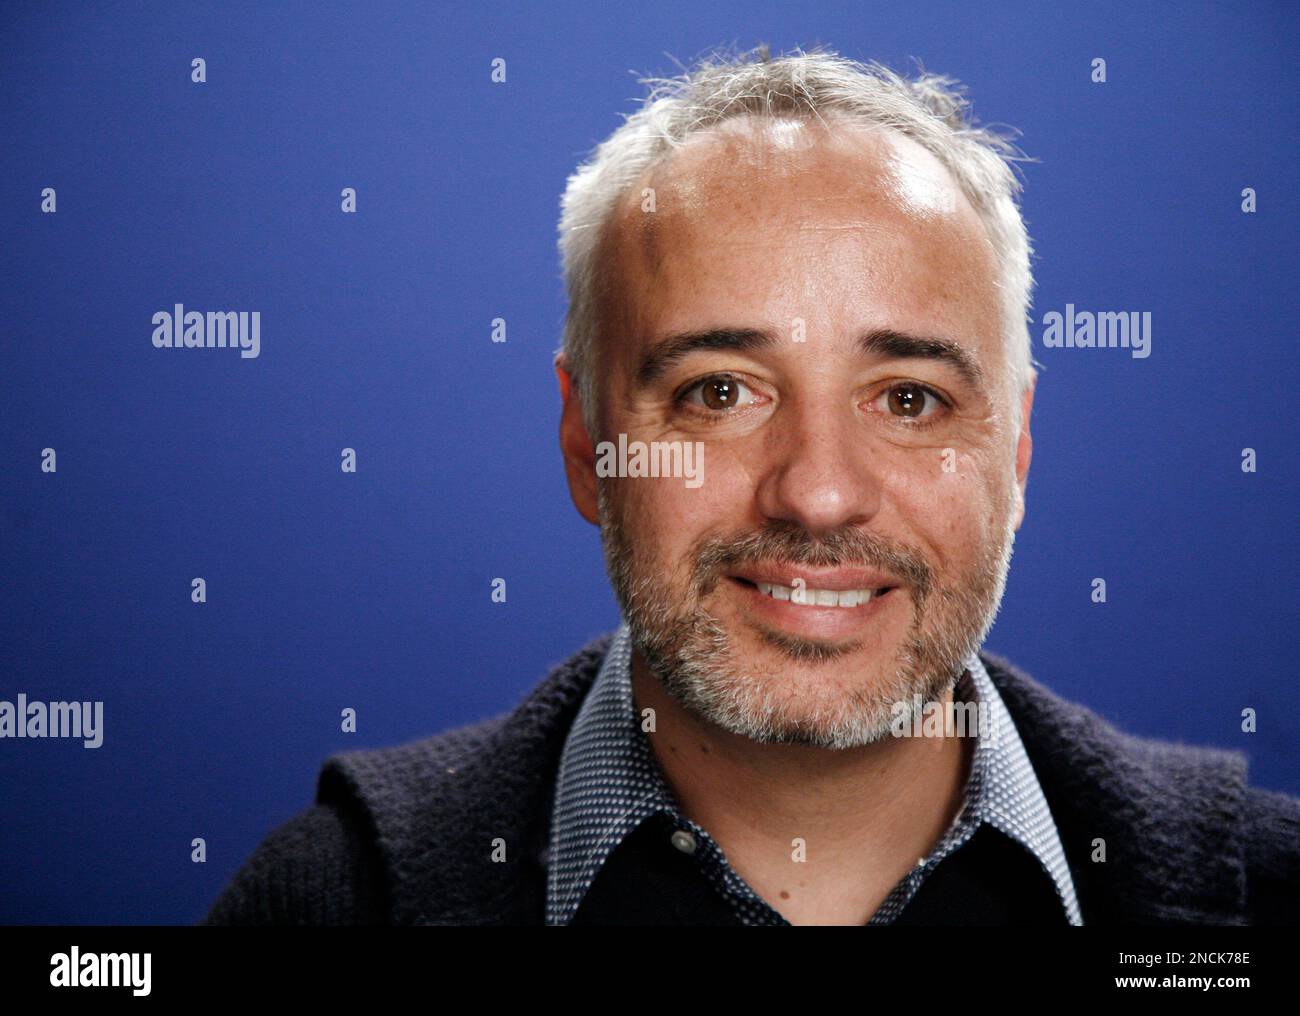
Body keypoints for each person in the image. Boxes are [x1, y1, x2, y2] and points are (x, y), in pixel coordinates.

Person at [202, 47, 1299, 926]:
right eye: (719, 390)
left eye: (908, 398)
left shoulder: (1264, 890)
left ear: (1014, 449)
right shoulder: (333, 898)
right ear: (586, 441)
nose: (817, 494)